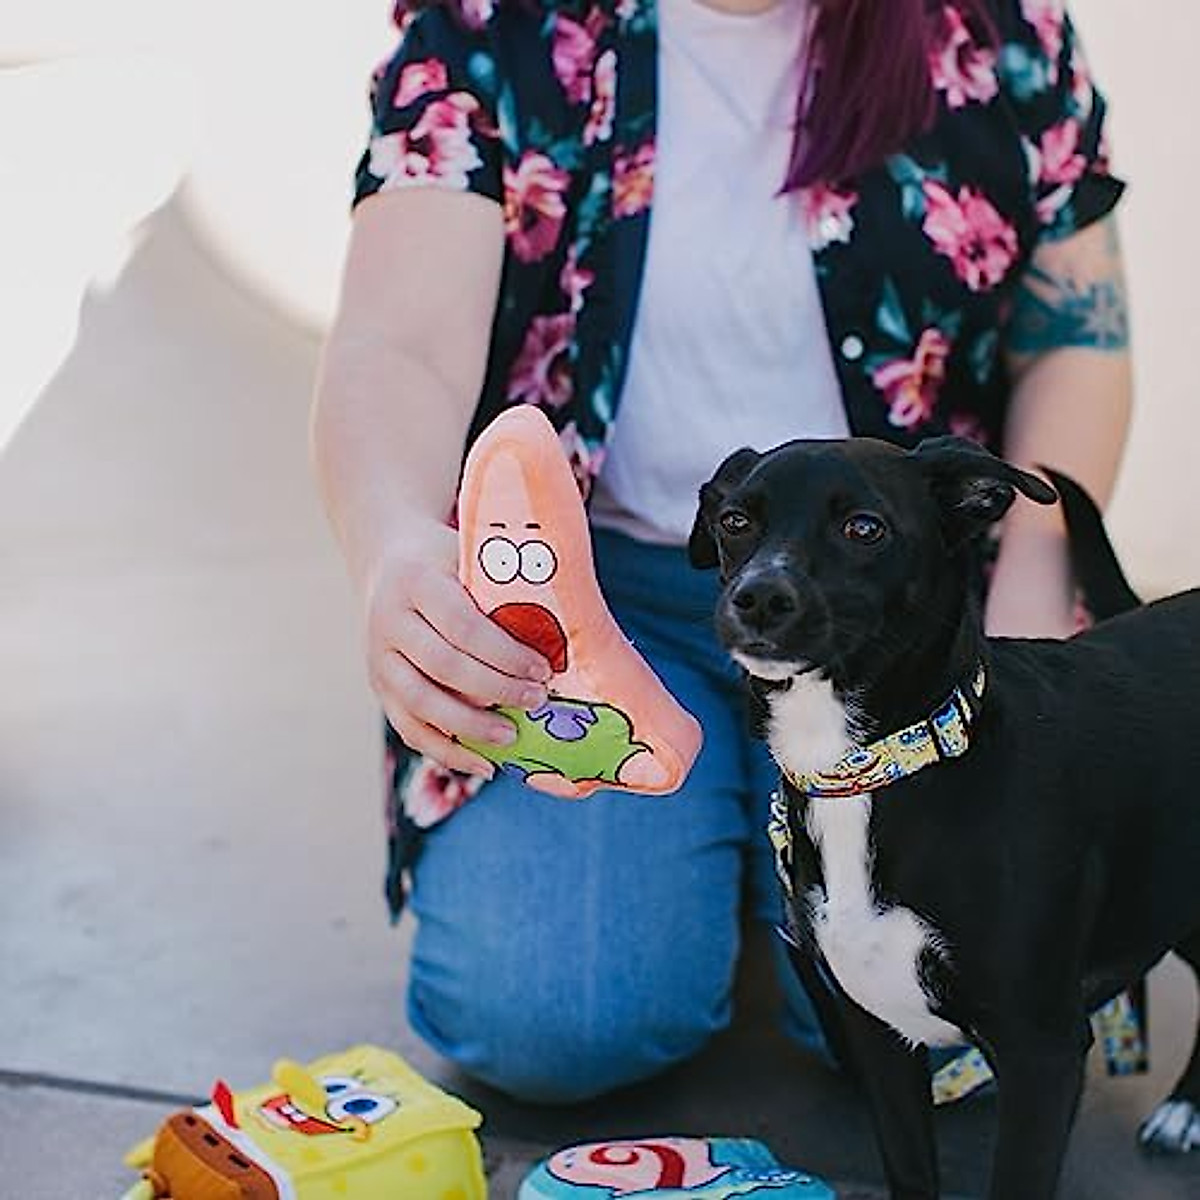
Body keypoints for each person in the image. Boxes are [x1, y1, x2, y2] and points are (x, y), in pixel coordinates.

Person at [311, 0, 1132, 1104]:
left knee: (952, 1027)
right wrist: (397, 545)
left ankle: (748, 847)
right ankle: (736, 853)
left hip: (898, 612)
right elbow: (395, 340)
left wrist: (1032, 601)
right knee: (556, 1020)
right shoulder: (489, 24)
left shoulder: (1000, 27)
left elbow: (1074, 339)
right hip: (603, 599)